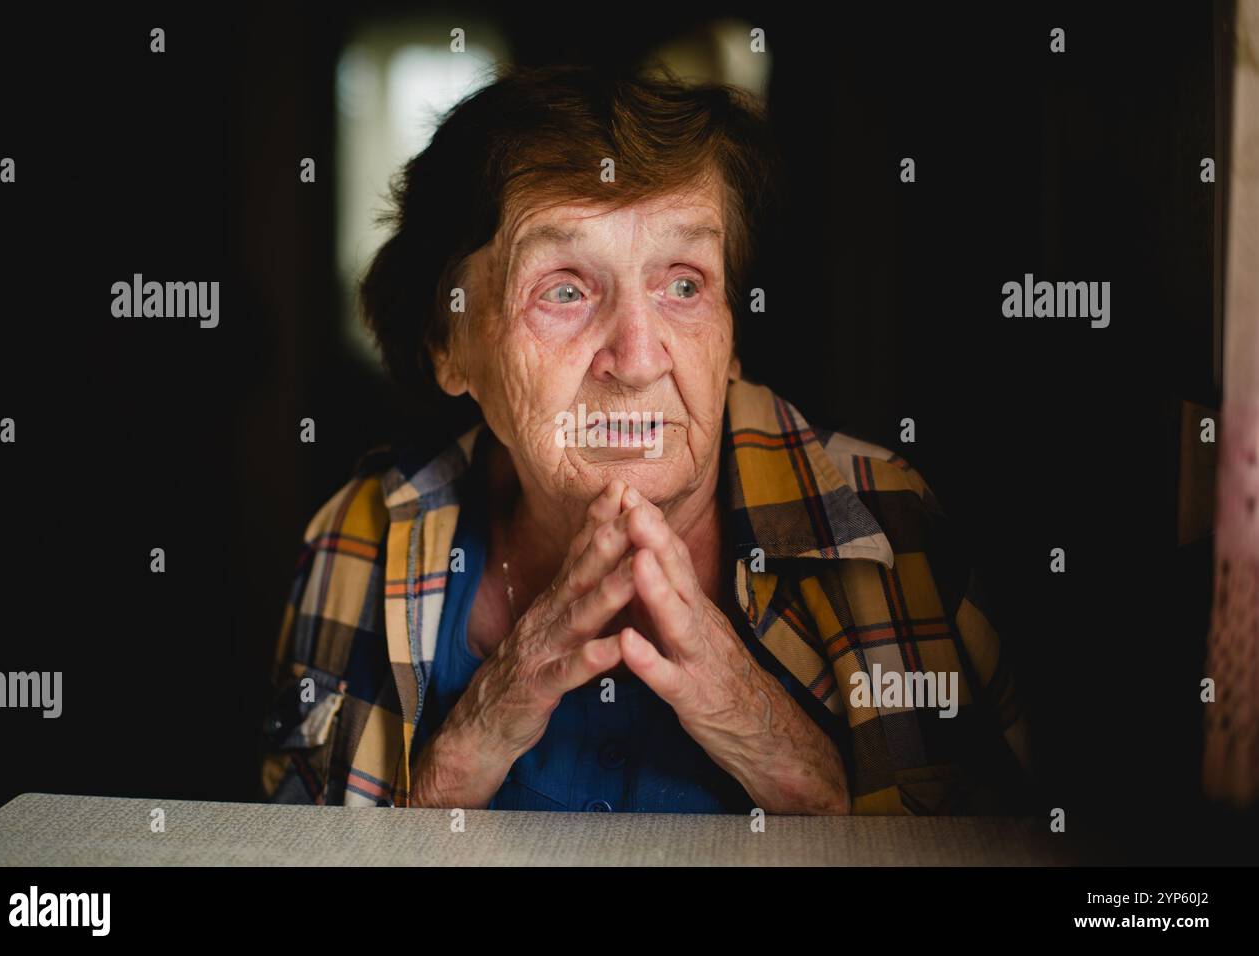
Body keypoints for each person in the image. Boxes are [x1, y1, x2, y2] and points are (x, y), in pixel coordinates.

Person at [260, 63, 1031, 815]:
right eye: (563, 289)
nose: (635, 359)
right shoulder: (361, 537)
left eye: (684, 285)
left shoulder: (889, 529)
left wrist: (776, 744)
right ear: (449, 343)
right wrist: (466, 747)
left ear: (730, 338)